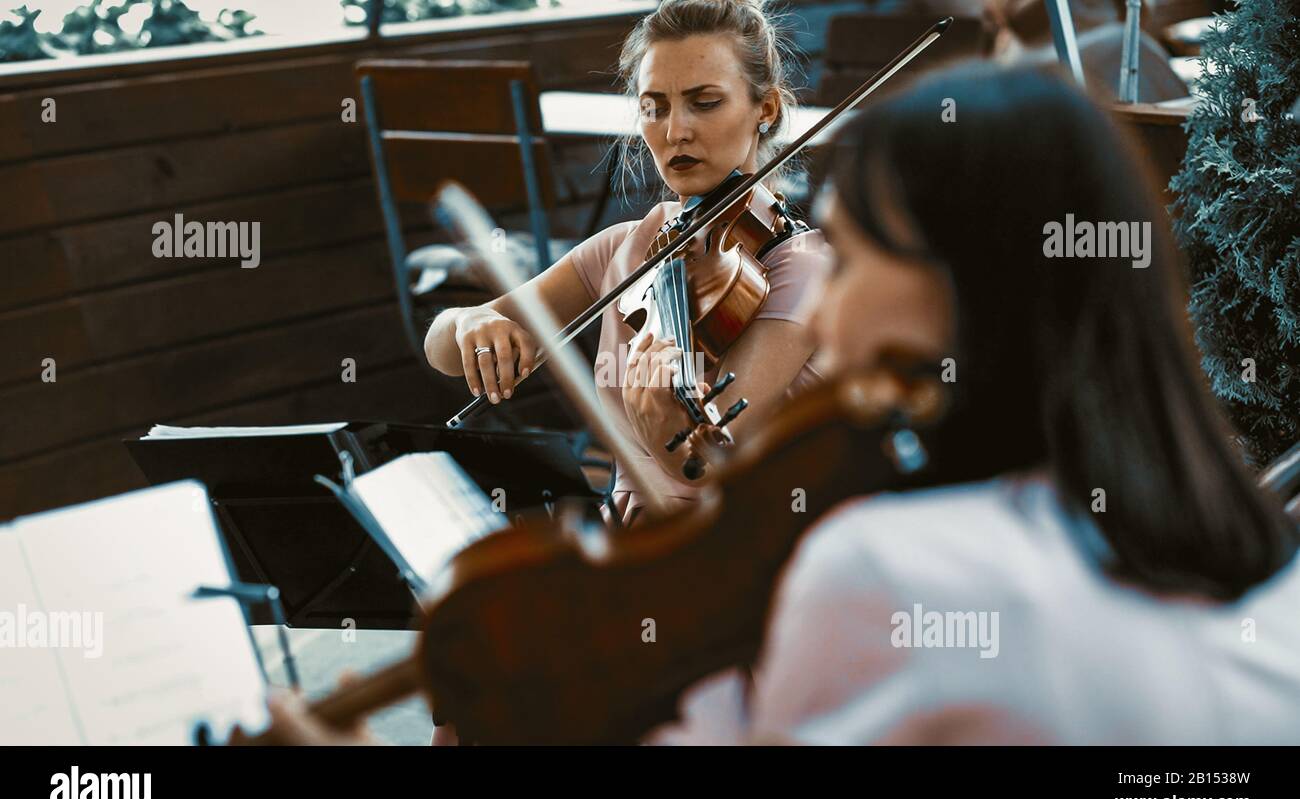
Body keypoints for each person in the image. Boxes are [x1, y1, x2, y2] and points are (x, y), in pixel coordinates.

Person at [243, 62, 1300, 746]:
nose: (832, 291)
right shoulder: (1261, 574)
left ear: (956, 285)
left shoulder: (886, 564)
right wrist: (478, 325)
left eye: (862, 246)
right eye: (652, 104)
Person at [649, 62, 1300, 744]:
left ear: (970, 285)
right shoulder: (1273, 581)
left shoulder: (884, 570)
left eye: (842, 260)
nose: (816, 316)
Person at [422, 0, 831, 526]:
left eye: (704, 102)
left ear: (766, 109)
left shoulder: (800, 269)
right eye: (654, 106)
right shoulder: (626, 249)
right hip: (628, 543)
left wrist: (661, 425)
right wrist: (471, 320)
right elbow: (442, 352)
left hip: (739, 555)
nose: (675, 130)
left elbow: (713, 470)